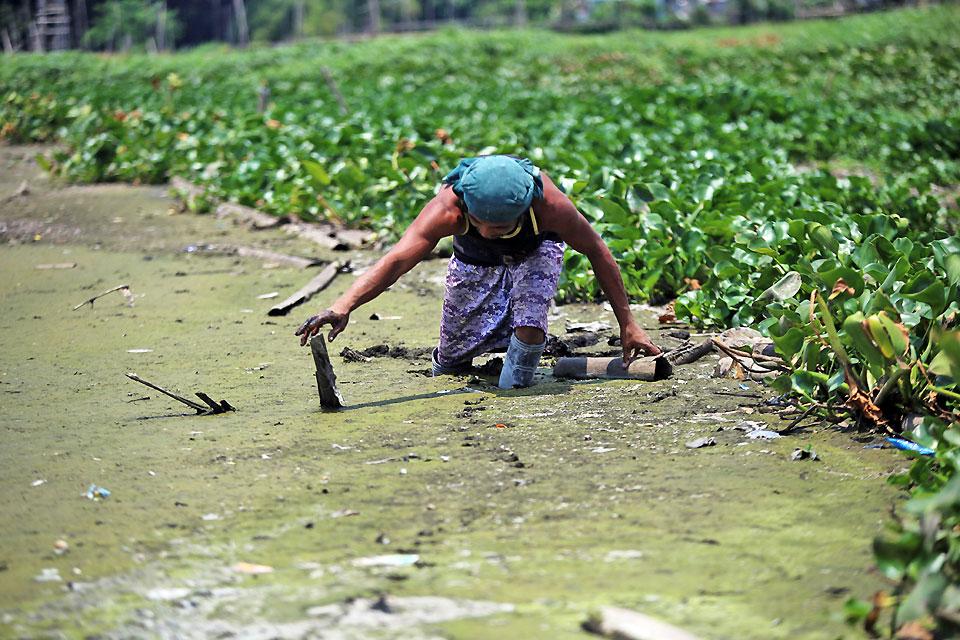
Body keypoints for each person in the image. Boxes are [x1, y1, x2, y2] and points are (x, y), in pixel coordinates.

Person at [295, 154, 661, 389]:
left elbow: (598, 252)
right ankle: (449, 361)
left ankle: (515, 384)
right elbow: (396, 262)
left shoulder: (551, 207)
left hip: (536, 248)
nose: (497, 230)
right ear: (467, 210)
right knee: (454, 358)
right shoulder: (446, 210)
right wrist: (343, 305)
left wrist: (627, 322)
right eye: (488, 224)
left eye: (506, 224)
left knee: (530, 322)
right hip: (474, 257)